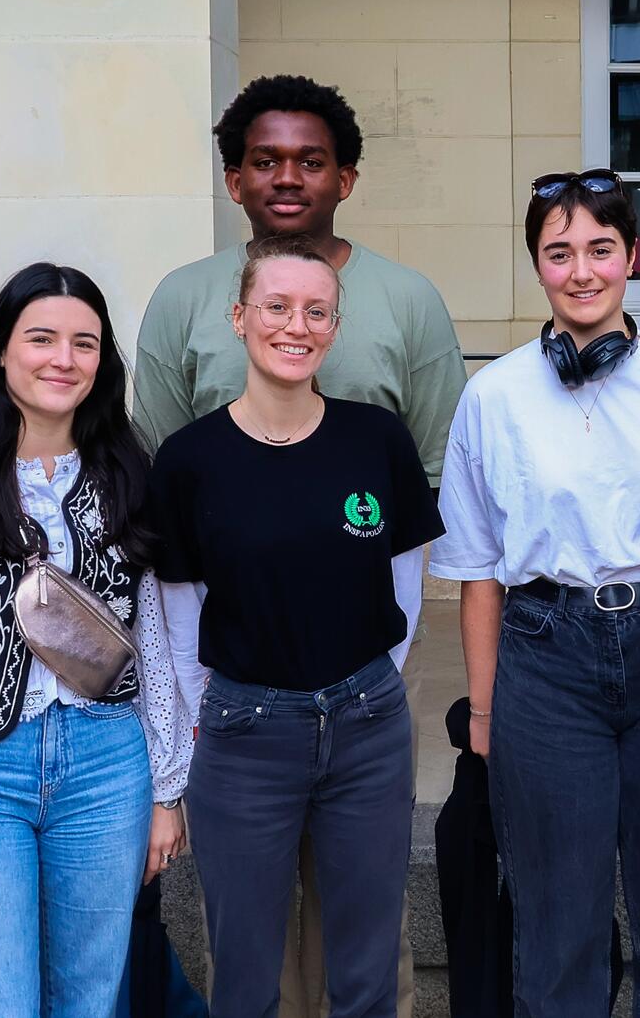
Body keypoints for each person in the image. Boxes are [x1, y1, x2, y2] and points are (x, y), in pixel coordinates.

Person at [133, 73, 463, 1018]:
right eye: (266, 160)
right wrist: (205, 700)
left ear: (344, 177)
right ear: (234, 179)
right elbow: (165, 519)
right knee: (251, 948)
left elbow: (422, 510)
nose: (288, 177)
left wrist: (375, 667)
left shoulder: (404, 306)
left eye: (309, 160)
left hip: (363, 687)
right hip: (239, 696)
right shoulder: (183, 305)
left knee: (366, 943)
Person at [433, 171, 640, 1018]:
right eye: (558, 252)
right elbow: (477, 571)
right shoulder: (492, 396)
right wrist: (489, 715)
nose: (581, 271)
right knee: (556, 922)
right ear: (536, 264)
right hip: (547, 657)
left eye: (600, 249)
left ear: (633, 257)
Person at [0, 264, 192, 1017]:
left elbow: (154, 637)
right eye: (42, 337)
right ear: (0, 355)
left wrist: (166, 788)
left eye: (85, 343)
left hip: (109, 765)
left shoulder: (131, 478)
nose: (64, 358)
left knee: (92, 1000)